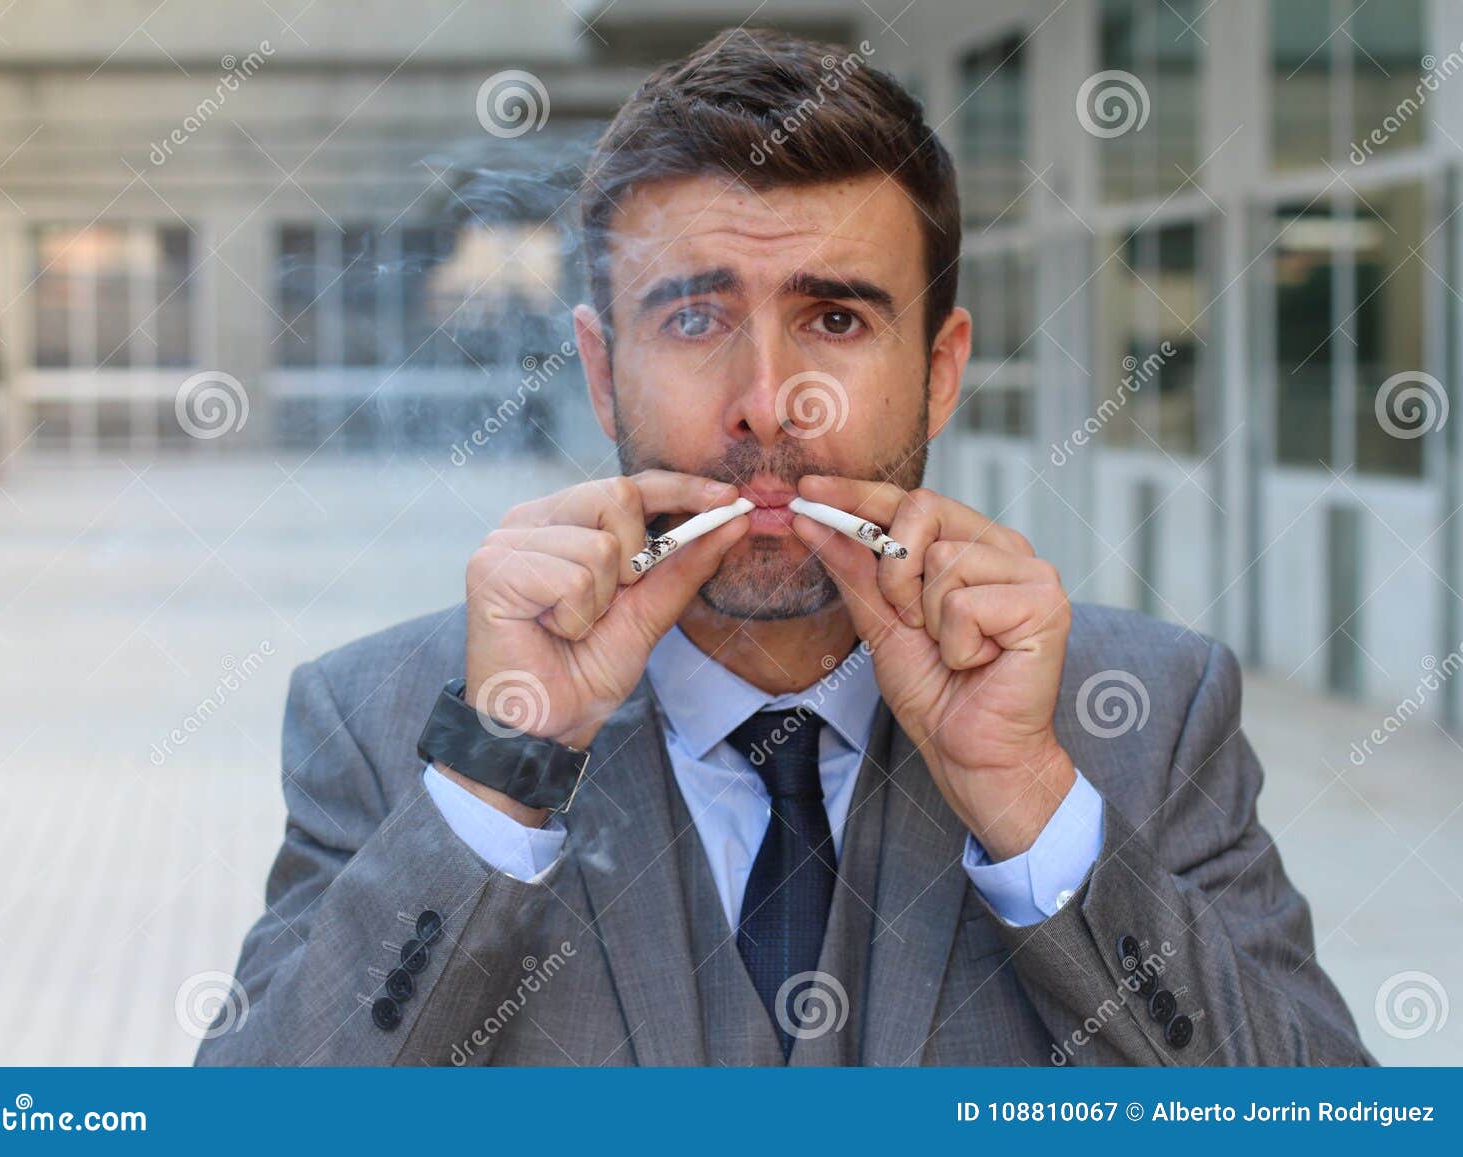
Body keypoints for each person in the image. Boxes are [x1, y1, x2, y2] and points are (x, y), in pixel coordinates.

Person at [197, 27, 1371, 1067]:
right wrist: (504, 768)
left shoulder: (1142, 718)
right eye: (695, 318)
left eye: (836, 318)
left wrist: (1027, 797)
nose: (770, 403)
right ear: (603, 372)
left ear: (940, 368)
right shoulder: (391, 719)